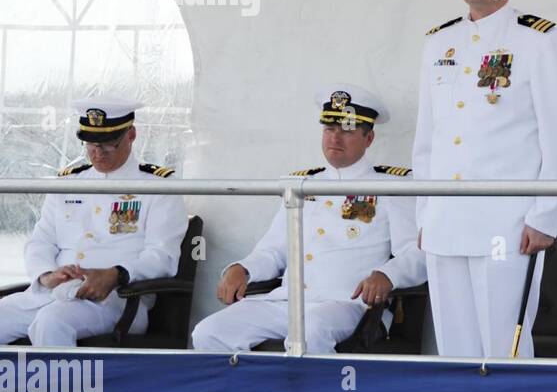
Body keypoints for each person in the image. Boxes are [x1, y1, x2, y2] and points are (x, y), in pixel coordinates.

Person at [412, 0, 557, 360]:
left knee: (503, 346)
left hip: (507, 224)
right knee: (454, 348)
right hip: (445, 220)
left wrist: (546, 215)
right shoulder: (438, 42)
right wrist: (422, 211)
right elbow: (428, 138)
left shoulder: (537, 40)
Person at [191, 84, 423, 353]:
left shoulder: (391, 187)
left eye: (347, 130)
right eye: (329, 129)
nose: (335, 138)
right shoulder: (302, 184)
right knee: (209, 333)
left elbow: (416, 253)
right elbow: (274, 251)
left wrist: (387, 274)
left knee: (310, 332)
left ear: (368, 138)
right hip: (286, 301)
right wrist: (242, 268)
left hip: (347, 305)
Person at [0, 98, 187, 347]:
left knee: (51, 322)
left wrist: (116, 275)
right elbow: (40, 241)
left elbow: (162, 256)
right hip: (57, 292)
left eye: (109, 145)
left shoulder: (157, 187)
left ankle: (60, 388)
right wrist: (46, 275)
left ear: (131, 135)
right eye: (90, 144)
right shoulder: (69, 183)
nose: (98, 153)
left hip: (118, 299)